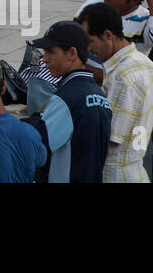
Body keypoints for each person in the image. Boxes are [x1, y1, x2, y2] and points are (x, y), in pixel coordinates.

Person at [79, 1, 153, 183]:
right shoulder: (142, 61)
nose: (88, 49)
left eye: (90, 42)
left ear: (107, 35)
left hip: (116, 174)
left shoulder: (124, 76)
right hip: (134, 170)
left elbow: (112, 137)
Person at [30, 21, 111, 183]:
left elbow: (37, 148)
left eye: (50, 52)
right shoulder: (99, 95)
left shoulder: (66, 98)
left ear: (72, 53)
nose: (44, 59)